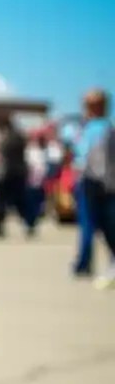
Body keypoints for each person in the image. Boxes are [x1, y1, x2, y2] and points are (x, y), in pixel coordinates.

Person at [72, 88, 114, 278]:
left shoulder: (91, 129)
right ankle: (84, 263)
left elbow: (85, 158)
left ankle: (83, 264)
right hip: (101, 182)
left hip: (95, 182)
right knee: (106, 225)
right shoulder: (105, 127)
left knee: (90, 224)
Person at [0, 112, 33, 236]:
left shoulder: (6, 137)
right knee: (20, 201)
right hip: (18, 172)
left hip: (8, 172)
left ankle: (0, 226)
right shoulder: (19, 136)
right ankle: (27, 224)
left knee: (2, 201)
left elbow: (3, 155)